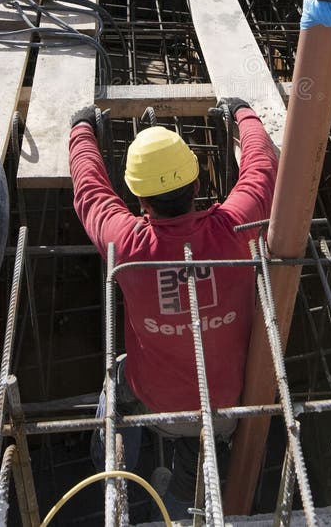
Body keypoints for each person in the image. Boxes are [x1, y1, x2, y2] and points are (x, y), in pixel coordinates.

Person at [68, 97, 278, 517]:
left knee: (118, 379)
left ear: (140, 200)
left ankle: (113, 470)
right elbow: (262, 168)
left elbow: (90, 191)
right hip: (225, 407)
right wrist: (243, 114)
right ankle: (183, 504)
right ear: (198, 186)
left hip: (154, 398)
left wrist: (81, 129)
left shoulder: (125, 243)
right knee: (192, 476)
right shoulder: (237, 229)